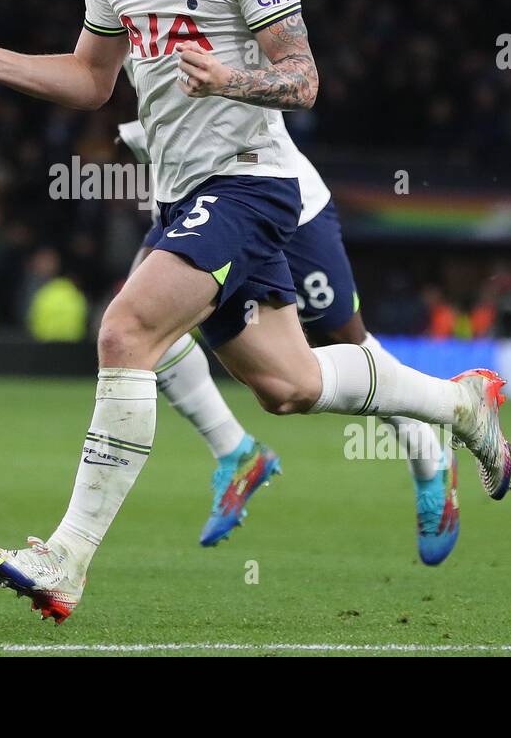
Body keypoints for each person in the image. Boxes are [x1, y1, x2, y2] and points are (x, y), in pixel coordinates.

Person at [0, 0, 511, 624]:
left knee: (126, 329)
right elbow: (93, 81)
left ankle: (66, 558)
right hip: (181, 194)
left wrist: (231, 76)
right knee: (287, 385)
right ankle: (455, 402)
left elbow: (304, 78)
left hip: (249, 180)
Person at [117, 118, 459, 564]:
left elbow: (287, 76)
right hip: (192, 202)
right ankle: (235, 452)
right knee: (135, 324)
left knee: (344, 336)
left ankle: (429, 455)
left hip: (278, 195)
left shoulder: (220, 47)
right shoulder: (125, 50)